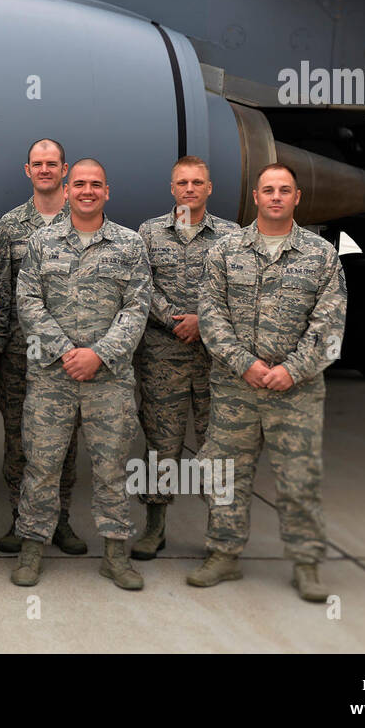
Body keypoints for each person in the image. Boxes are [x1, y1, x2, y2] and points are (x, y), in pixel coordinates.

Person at [188, 163, 347, 602]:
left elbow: (329, 326)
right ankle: (223, 554)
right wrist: (245, 364)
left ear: (297, 198)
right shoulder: (226, 250)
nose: (275, 197)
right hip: (236, 387)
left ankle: (306, 563)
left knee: (299, 478)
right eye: (268, 190)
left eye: (284, 190)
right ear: (255, 197)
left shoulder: (321, 255)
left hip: (296, 391)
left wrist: (290, 370)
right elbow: (211, 314)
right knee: (225, 475)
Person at [9, 160, 152, 591]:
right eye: (80, 185)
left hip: (108, 380)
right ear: (67, 191)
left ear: (107, 191)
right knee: (42, 465)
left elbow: (137, 306)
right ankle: (32, 548)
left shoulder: (129, 244)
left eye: (96, 185)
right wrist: (68, 352)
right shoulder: (40, 241)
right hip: (54, 377)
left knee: (110, 468)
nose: (87, 191)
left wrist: (99, 354)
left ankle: (114, 554)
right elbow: (28, 301)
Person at [131, 156, 239, 559]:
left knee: (219, 444)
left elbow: (236, 295)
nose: (190, 189)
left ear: (209, 188)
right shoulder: (150, 233)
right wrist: (176, 320)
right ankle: (154, 527)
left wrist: (202, 322)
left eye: (197, 182)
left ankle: (219, 533)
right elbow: (141, 286)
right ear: (172, 188)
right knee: (161, 445)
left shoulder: (231, 236)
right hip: (163, 355)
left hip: (216, 359)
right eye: (182, 182)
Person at [0, 138, 85, 556]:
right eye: (37, 164)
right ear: (26, 171)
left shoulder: (86, 219)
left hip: (68, 355)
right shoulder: (7, 227)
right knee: (19, 441)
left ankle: (60, 521)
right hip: (19, 355)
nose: (44, 170)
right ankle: (21, 519)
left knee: (63, 442)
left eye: (52, 164)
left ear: (64, 170)